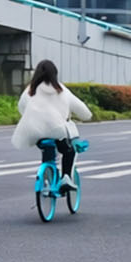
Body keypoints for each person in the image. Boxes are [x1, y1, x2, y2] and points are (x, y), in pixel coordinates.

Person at [12, 59, 92, 188]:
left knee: (47, 150)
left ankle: (46, 178)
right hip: (57, 131)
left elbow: (22, 108)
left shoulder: (29, 90)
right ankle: (66, 178)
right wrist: (86, 116)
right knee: (68, 150)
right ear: (54, 74)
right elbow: (83, 111)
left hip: (35, 132)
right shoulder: (61, 90)